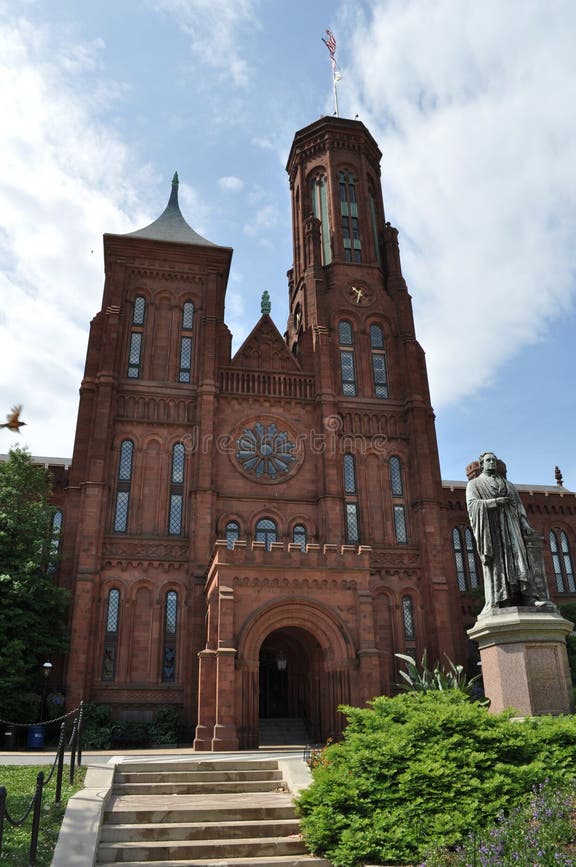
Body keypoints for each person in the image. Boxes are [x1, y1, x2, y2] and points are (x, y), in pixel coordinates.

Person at [466, 452, 547, 614]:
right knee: (498, 564)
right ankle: (499, 599)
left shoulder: (508, 485)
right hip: (493, 530)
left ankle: (529, 598)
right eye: (488, 460)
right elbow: (472, 505)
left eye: (494, 460)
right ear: (482, 464)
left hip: (511, 528)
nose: (492, 463)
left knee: (520, 560)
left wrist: (525, 525)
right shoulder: (474, 485)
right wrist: (495, 502)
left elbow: (519, 507)